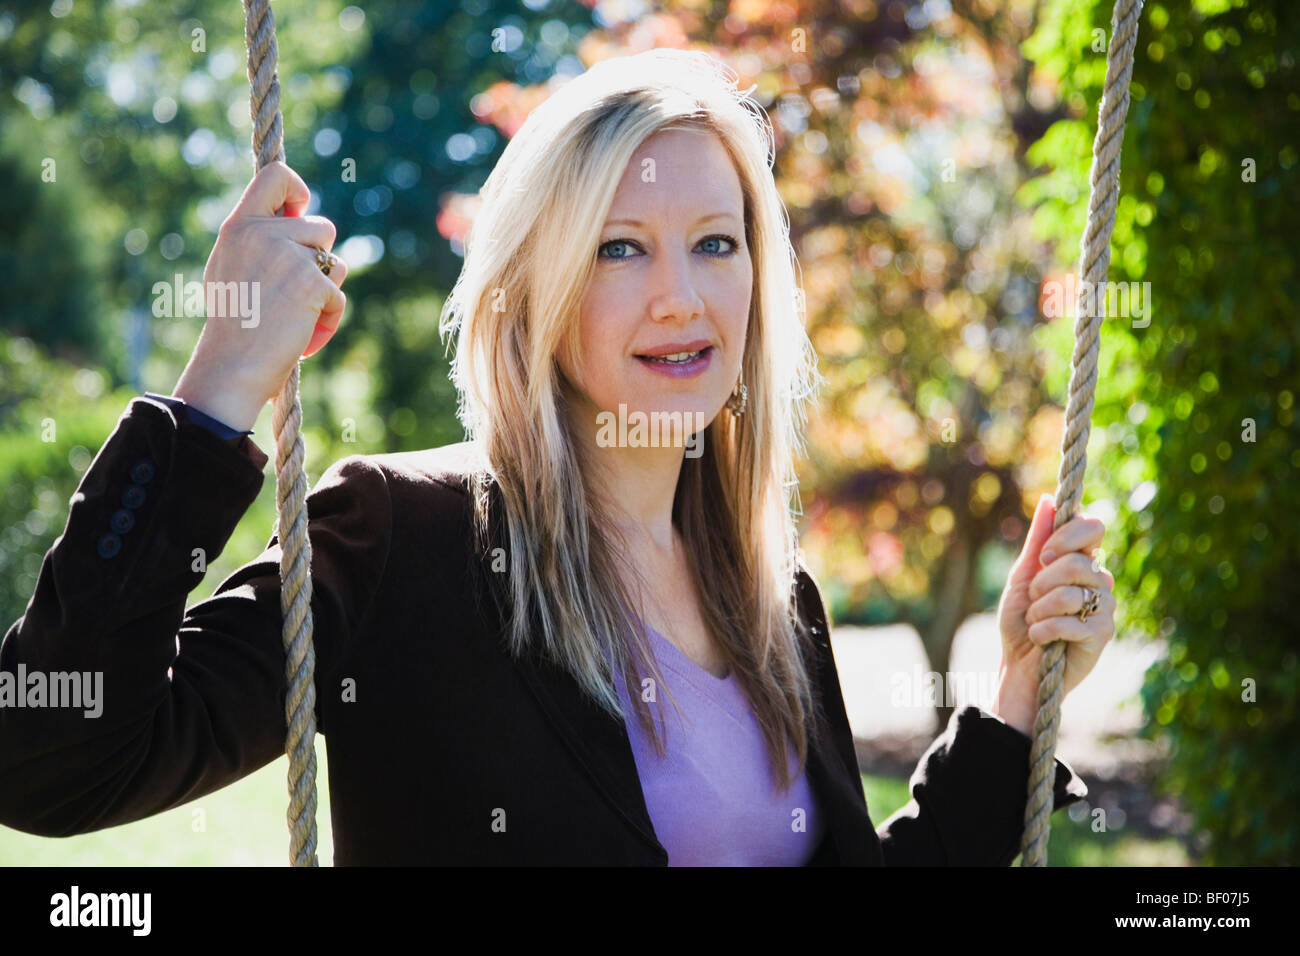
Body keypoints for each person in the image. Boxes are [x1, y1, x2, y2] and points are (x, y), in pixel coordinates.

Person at [0, 49, 1112, 865]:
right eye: (620, 247)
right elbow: (51, 757)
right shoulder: (401, 539)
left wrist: (1018, 692)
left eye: (715, 244)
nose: (681, 296)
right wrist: (220, 390)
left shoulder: (775, 600)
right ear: (535, 291)